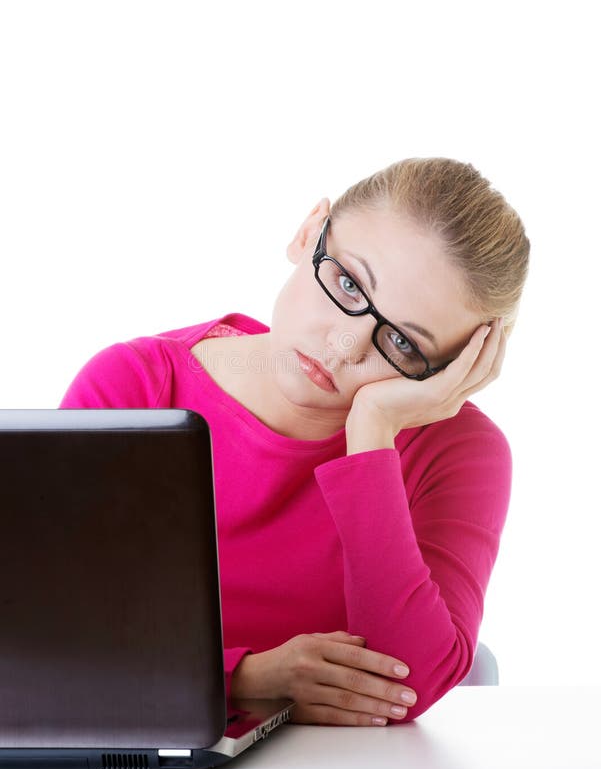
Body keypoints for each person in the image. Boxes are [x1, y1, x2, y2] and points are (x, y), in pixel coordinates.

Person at [59, 157, 530, 727]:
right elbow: (53, 639)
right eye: (350, 283)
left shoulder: (458, 450)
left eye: (404, 345)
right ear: (310, 233)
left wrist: (373, 436)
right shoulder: (136, 387)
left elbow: (407, 686)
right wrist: (248, 678)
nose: (346, 346)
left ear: (452, 370)